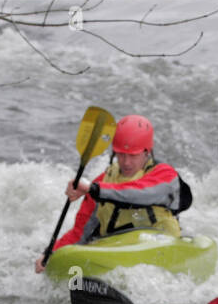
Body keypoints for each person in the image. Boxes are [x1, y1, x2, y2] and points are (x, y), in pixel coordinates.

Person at [34, 115, 188, 273]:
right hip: (115, 252)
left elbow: (136, 193)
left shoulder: (166, 175)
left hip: (160, 246)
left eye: (132, 155)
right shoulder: (102, 181)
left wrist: (94, 189)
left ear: (146, 152)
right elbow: (80, 232)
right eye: (121, 154)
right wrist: (50, 254)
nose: (126, 162)